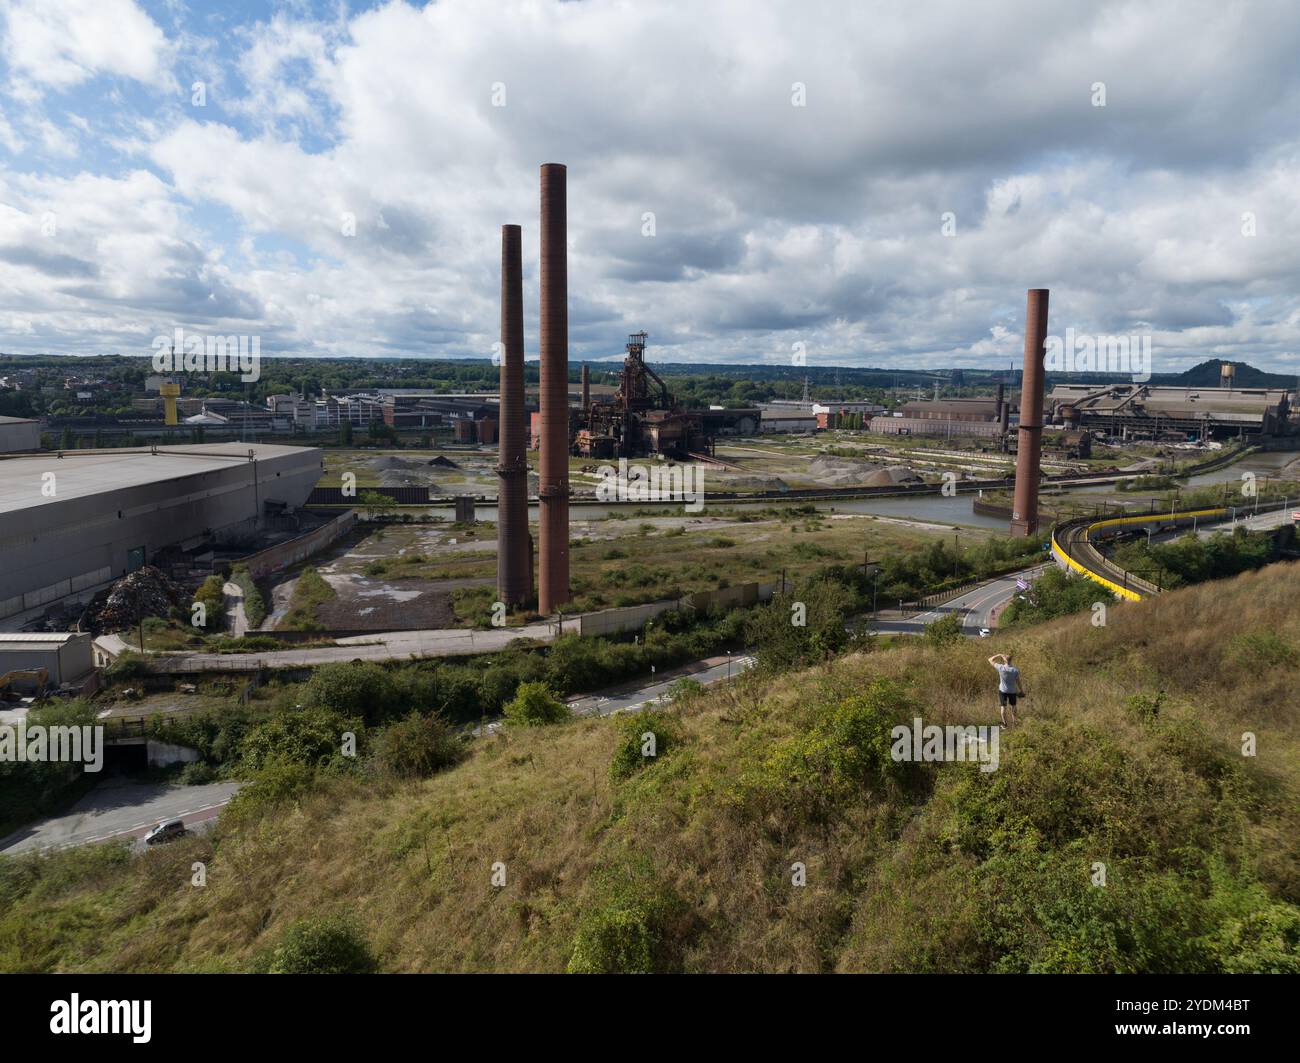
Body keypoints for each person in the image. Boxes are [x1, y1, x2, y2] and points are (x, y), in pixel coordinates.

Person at [987, 652, 1024, 727]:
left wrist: (999, 655)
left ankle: (1005, 724)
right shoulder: (1015, 670)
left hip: (1003, 691)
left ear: (1004, 661)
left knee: (1003, 707)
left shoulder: (1000, 667)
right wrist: (1021, 690)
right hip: (1012, 691)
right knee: (1013, 706)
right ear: (1011, 660)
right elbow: (1018, 681)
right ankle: (1015, 723)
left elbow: (990, 659)